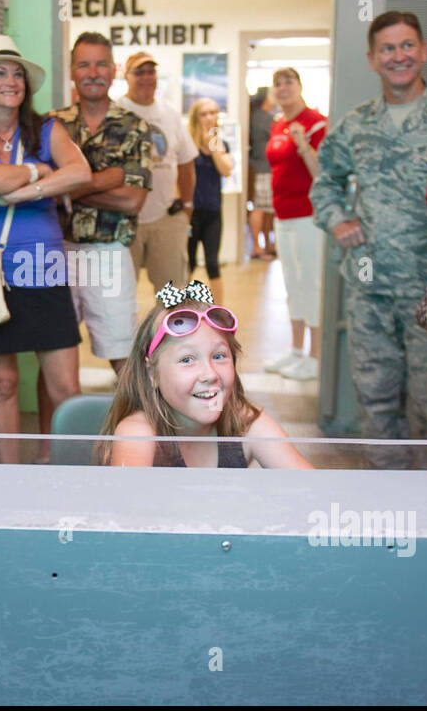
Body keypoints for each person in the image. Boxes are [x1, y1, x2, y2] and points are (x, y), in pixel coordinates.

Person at [309, 11, 427, 461]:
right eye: (388, 49)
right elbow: (324, 182)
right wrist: (337, 219)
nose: (399, 56)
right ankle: (384, 498)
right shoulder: (357, 124)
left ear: (424, 51)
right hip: (370, 287)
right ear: (373, 59)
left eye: (407, 45)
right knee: (376, 400)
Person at [0, 35, 91, 463]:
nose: (10, 80)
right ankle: (8, 480)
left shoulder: (48, 129)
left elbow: (79, 171)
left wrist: (27, 191)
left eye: (16, 73)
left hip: (43, 270)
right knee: (2, 382)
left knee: (66, 388)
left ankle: (67, 470)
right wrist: (36, 169)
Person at [100, 281, 312, 469]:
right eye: (187, 360)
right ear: (152, 373)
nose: (210, 374)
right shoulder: (138, 432)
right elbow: (132, 507)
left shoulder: (244, 421)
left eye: (219, 356)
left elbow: (311, 489)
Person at [47, 32, 153, 376]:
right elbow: (44, 192)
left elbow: (132, 201)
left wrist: (70, 187)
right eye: (84, 64)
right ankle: (54, 433)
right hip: (54, 253)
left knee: (124, 361)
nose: (93, 72)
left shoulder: (135, 127)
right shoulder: (50, 125)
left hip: (108, 253)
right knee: (53, 360)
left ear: (113, 70)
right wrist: (106, 179)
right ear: (72, 72)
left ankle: (137, 430)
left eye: (101, 64)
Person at [263, 68, 328, 381]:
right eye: (277, 83)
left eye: (289, 81)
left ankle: (316, 356)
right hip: (283, 215)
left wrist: (304, 145)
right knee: (291, 284)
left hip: (308, 217)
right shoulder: (279, 124)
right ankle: (296, 349)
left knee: (310, 284)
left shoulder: (315, 122)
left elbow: (322, 174)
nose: (283, 87)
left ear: (300, 86)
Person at [117, 51, 197, 292]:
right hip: (124, 220)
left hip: (165, 217)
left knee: (174, 297)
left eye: (150, 71)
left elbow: (186, 163)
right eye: (138, 72)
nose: (146, 77)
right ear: (126, 77)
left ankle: (170, 332)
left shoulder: (170, 113)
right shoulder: (115, 112)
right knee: (119, 296)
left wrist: (187, 206)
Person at [186, 98, 233, 304]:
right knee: (188, 263)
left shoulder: (221, 145)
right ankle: (181, 308)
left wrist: (213, 143)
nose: (209, 117)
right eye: (204, 114)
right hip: (190, 213)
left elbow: (226, 169)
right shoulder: (188, 143)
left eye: (213, 113)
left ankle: (219, 312)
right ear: (196, 117)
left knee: (213, 263)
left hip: (213, 212)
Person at [246, 86, 278, 260]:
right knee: (260, 207)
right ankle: (257, 248)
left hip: (263, 167)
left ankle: (267, 244)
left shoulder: (258, 117)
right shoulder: (265, 119)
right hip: (264, 168)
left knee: (267, 208)